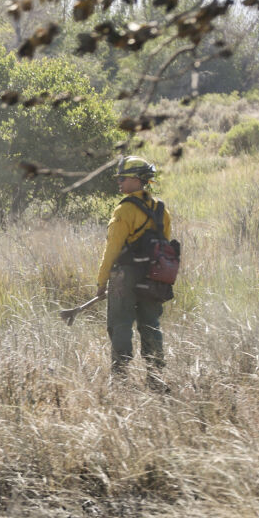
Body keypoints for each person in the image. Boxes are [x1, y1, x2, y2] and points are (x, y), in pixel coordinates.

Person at [95, 155, 170, 382]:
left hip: (124, 278)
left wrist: (101, 281)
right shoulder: (161, 210)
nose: (119, 182)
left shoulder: (123, 211)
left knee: (120, 324)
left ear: (138, 180)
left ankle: (120, 377)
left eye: (123, 178)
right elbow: (164, 245)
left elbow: (112, 250)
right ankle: (156, 377)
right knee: (151, 325)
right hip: (154, 277)